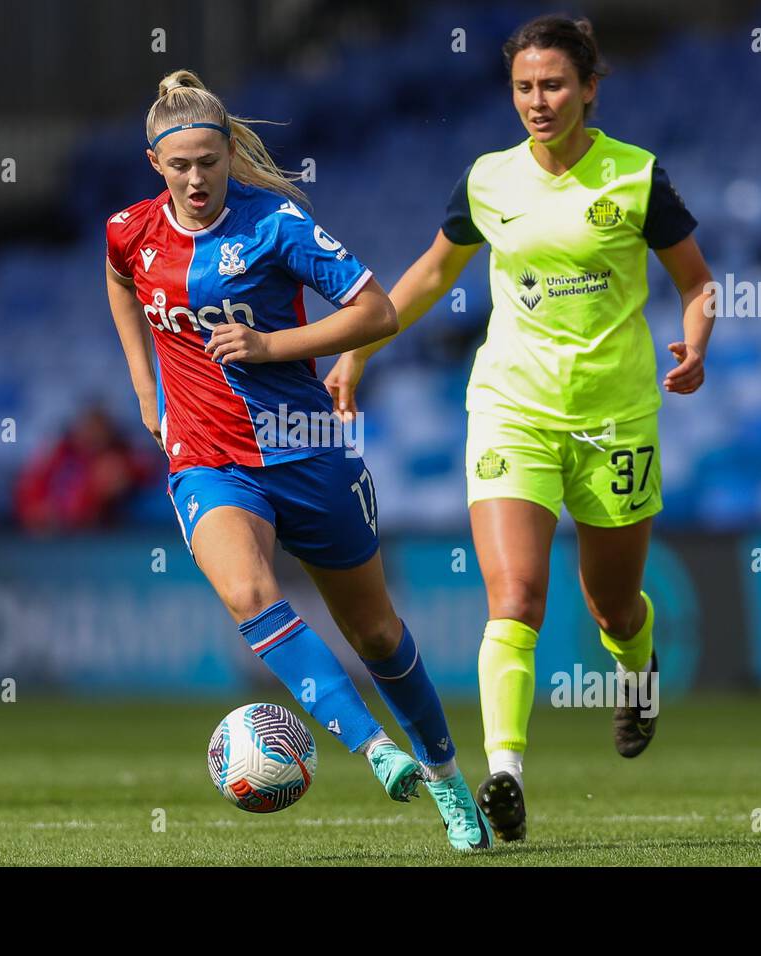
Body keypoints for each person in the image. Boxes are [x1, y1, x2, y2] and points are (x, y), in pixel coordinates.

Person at [326, 15, 715, 843]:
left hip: (615, 419)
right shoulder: (488, 180)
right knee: (516, 597)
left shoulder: (637, 179)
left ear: (589, 89)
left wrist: (698, 341)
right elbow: (432, 273)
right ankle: (504, 773)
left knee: (612, 605)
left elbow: (697, 282)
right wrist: (358, 352)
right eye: (523, 88)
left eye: (554, 85)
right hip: (511, 409)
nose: (538, 102)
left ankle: (636, 669)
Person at [104, 69, 492, 850]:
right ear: (156, 164)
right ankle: (373, 749)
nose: (196, 178)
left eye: (209, 162)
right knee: (249, 593)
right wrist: (144, 390)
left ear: (226, 155)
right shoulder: (131, 231)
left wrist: (272, 344)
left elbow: (375, 310)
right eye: (179, 166)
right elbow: (119, 280)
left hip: (307, 451)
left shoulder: (275, 224)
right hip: (207, 459)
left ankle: (448, 778)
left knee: (376, 632)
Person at [15, 405, 155, 533]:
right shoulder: (61, 454)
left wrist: (125, 474)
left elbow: (148, 470)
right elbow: (31, 499)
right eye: (89, 428)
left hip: (111, 534)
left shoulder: (122, 457)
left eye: (98, 430)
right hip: (62, 536)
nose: (93, 435)